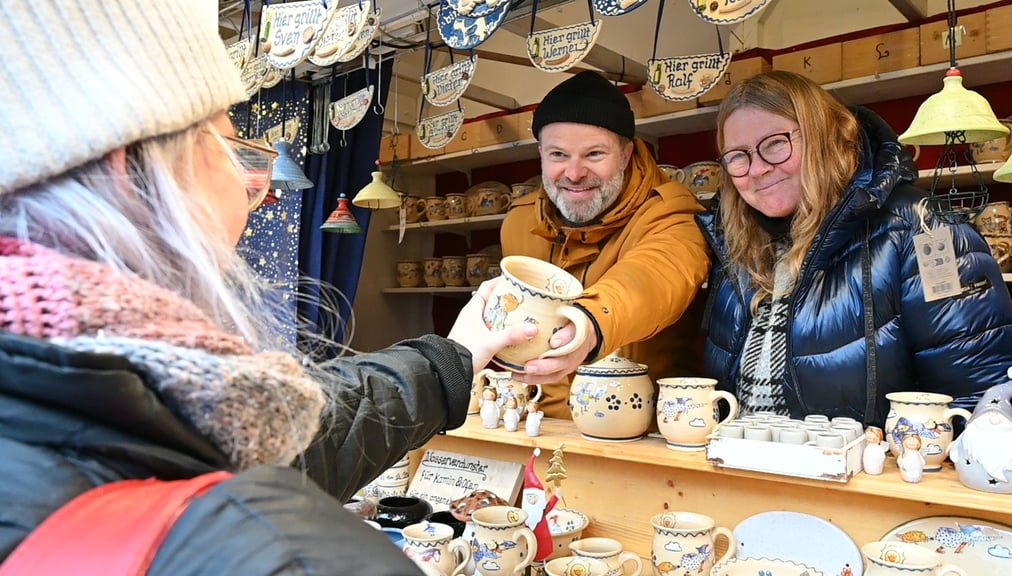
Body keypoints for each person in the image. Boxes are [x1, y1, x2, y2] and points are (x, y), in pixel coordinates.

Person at [0, 2, 536, 574]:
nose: (249, 194)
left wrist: (450, 360)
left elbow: (279, 448)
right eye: (232, 151)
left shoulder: (73, 396)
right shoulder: (278, 552)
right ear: (131, 175)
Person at [697, 70, 1012, 427]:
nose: (757, 168)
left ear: (824, 136)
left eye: (775, 143)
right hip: (739, 472)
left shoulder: (924, 230)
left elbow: (987, 407)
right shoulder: (734, 244)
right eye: (738, 155)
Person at [502, 71, 711, 419]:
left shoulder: (673, 213)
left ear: (627, 154)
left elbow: (655, 276)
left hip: (637, 437)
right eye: (557, 154)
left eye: (594, 154)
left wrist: (589, 324)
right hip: (537, 427)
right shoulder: (519, 222)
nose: (573, 172)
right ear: (540, 154)